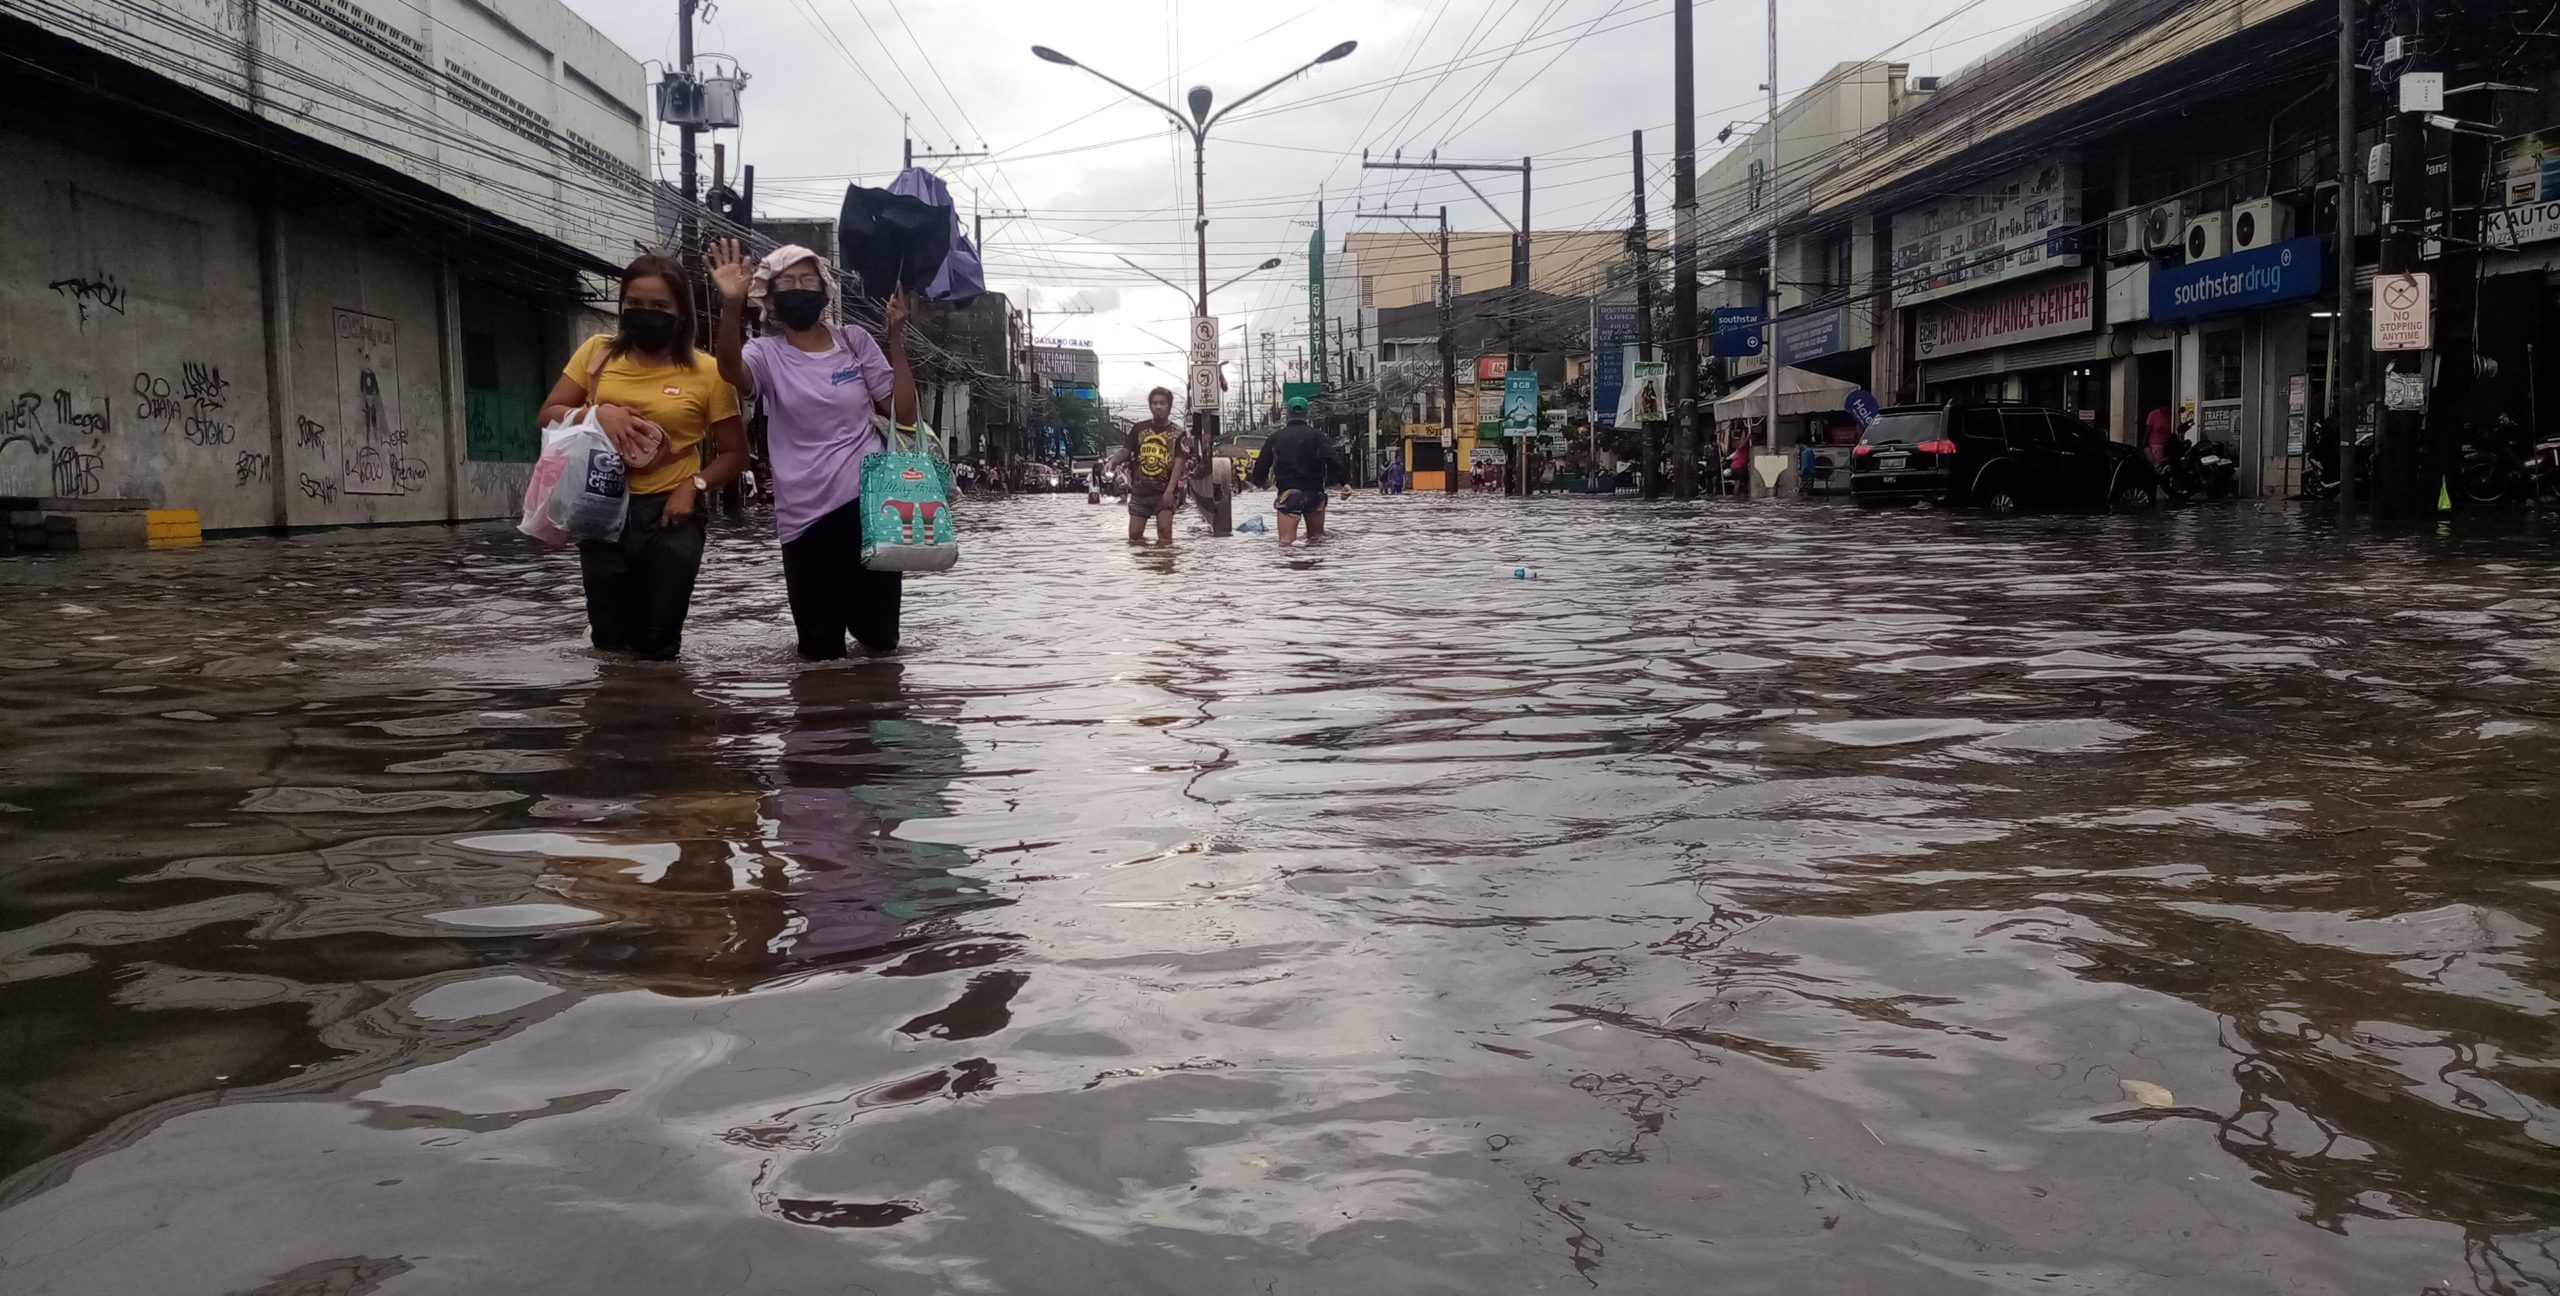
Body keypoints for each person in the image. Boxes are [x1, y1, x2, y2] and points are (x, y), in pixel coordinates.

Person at [709, 237, 917, 660]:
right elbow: (730, 370)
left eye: (808, 280)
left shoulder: (854, 341)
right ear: (771, 299)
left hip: (868, 508)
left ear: (824, 292)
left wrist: (896, 337)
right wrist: (731, 305)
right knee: (819, 649)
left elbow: (904, 412)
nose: (799, 289)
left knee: (880, 643)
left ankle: (880, 702)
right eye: (787, 283)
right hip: (803, 516)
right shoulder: (764, 353)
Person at [539, 252, 747, 659]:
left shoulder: (709, 373)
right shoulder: (596, 354)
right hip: (599, 508)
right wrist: (597, 413)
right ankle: (618, 699)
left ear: (681, 313)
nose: (645, 313)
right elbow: (547, 415)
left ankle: (661, 700)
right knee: (609, 642)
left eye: (658, 306)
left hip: (671, 516)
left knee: (658, 643)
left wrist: (693, 486)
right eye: (634, 303)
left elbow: (736, 454)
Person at [1249, 396, 1348, 546]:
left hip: (1289, 494)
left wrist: (1261, 483)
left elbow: (1261, 467)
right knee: (1316, 541)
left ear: (1287, 414)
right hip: (1315, 494)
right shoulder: (1319, 437)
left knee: (1286, 543)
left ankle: (1289, 561)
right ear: (1308, 414)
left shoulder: (1276, 438)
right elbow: (1333, 460)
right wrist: (1345, 482)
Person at [1121, 387, 1191, 545]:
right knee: (1134, 536)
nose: (1158, 407)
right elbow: (1126, 450)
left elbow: (1179, 463)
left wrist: (1170, 491)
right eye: (1154, 403)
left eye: (1162, 403)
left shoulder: (1179, 433)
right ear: (1150, 406)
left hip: (1164, 491)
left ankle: (1164, 559)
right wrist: (1112, 463)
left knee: (1165, 534)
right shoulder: (1139, 429)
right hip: (1140, 491)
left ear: (1169, 406)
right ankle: (1145, 560)